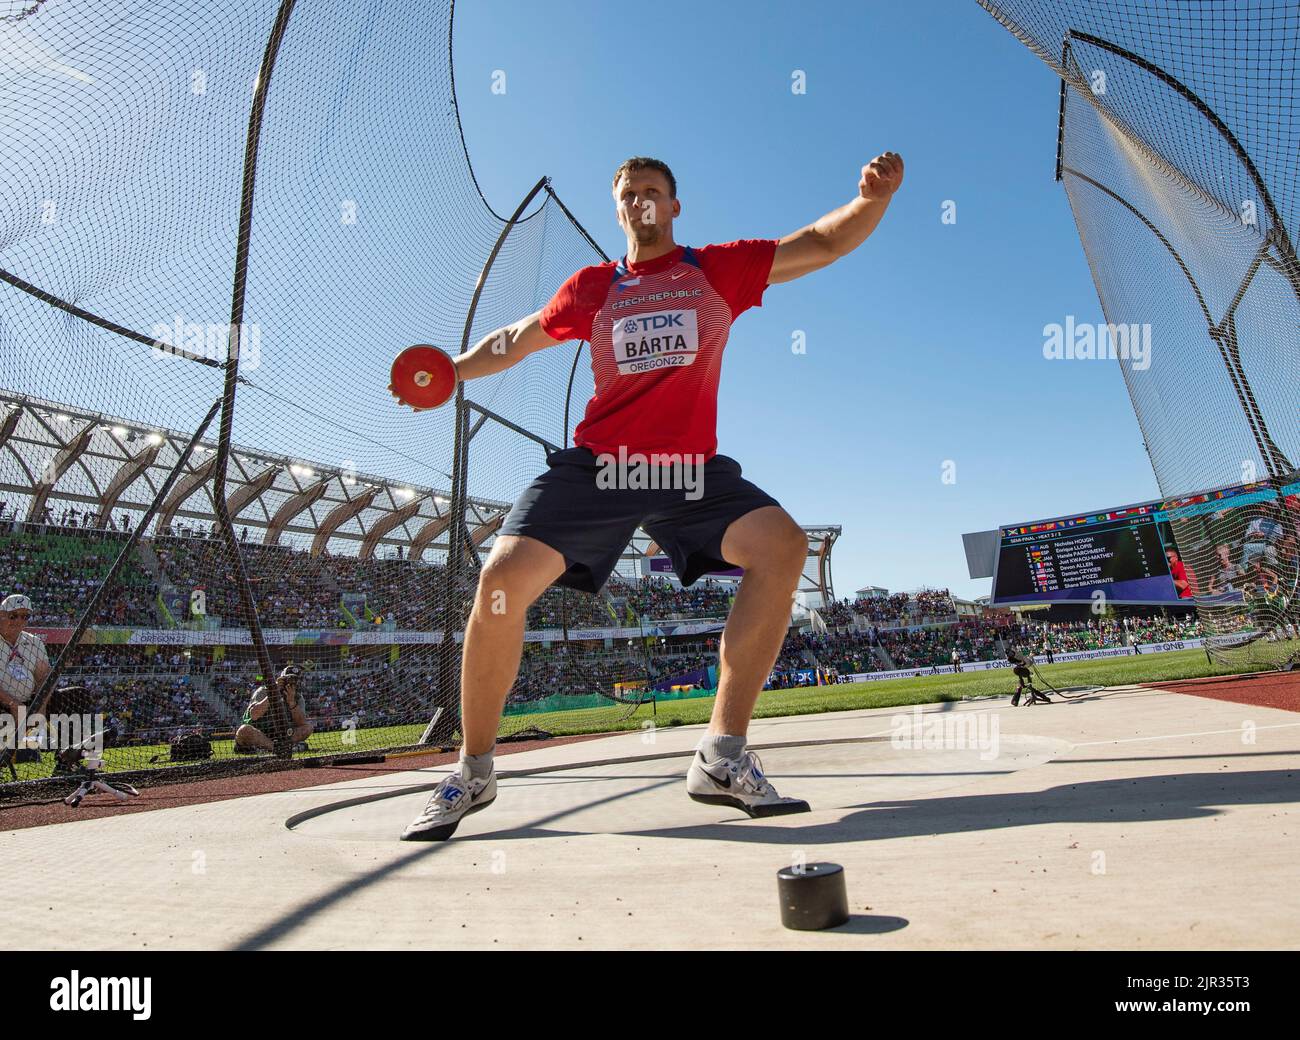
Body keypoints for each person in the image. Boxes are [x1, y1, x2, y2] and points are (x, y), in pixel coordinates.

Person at [400, 151, 904, 840]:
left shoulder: (715, 271)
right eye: (629, 192)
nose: (640, 201)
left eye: (653, 192)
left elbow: (821, 243)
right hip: (600, 468)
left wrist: (871, 199)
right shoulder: (593, 288)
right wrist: (452, 371)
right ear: (619, 209)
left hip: (687, 472)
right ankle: (474, 770)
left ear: (673, 207)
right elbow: (517, 338)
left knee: (783, 546)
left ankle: (722, 758)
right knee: (500, 582)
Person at [234, 665, 313, 753]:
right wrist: (273, 692)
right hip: (259, 732)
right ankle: (279, 748)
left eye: (295, 680)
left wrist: (292, 702)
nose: (291, 683)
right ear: (281, 679)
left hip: (281, 734)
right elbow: (254, 715)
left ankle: (275, 747)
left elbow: (301, 723)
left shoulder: (298, 697)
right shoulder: (263, 691)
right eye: (288, 679)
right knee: (244, 730)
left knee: (308, 727)